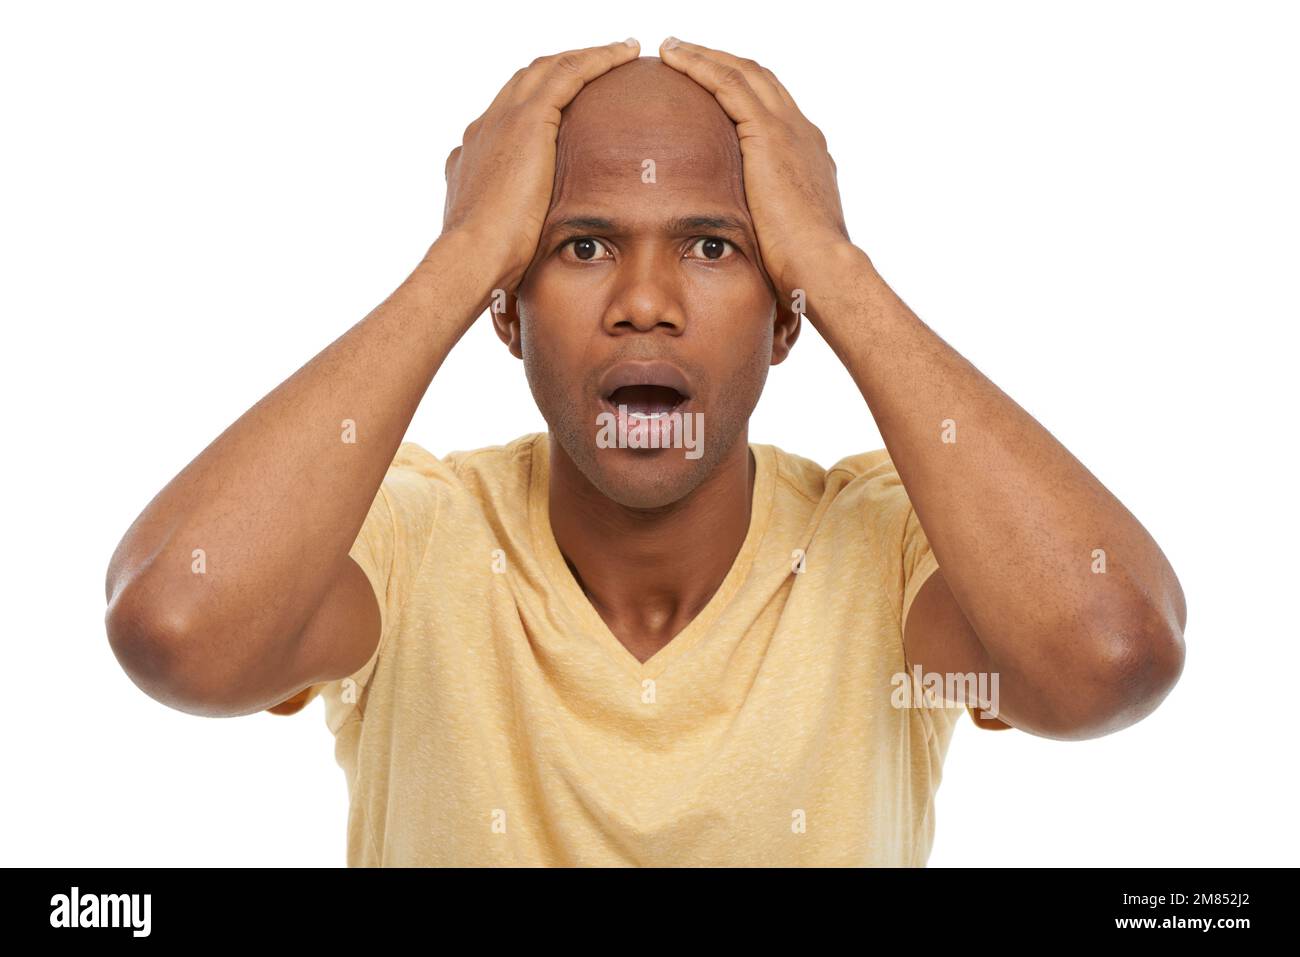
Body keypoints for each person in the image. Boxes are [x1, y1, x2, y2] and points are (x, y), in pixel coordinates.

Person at [104, 38, 1187, 866]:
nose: (645, 305)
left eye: (713, 248)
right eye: (582, 247)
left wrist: (832, 265)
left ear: (783, 318)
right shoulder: (415, 533)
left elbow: (1107, 659)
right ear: (510, 313)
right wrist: (466, 254)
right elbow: (177, 627)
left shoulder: (886, 551)